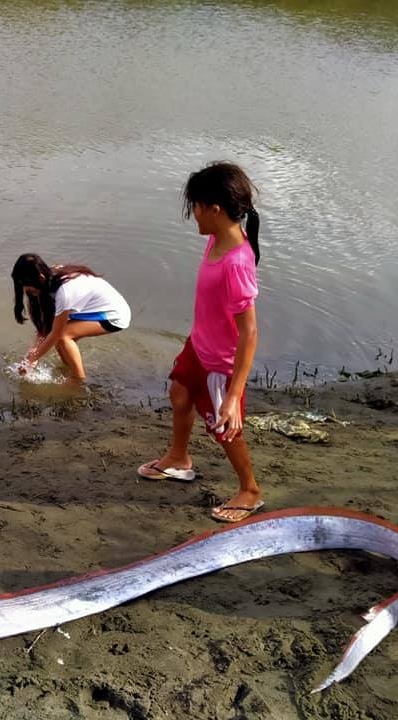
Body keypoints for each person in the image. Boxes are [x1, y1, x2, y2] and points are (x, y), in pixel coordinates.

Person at [137, 162, 263, 523]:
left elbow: (250, 332)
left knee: (226, 429)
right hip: (198, 345)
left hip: (220, 364)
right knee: (178, 393)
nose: (193, 214)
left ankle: (250, 490)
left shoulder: (236, 263)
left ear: (214, 209)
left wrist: (235, 395)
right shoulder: (216, 239)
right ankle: (178, 459)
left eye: (195, 206)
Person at [11, 254, 131, 381]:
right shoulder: (47, 278)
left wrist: (31, 360)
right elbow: (45, 328)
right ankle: (70, 369)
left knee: (62, 335)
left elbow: (55, 334)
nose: (27, 292)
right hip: (91, 307)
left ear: (40, 278)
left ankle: (78, 380)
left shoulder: (65, 292)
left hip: (115, 313)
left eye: (29, 289)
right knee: (59, 338)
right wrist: (32, 355)